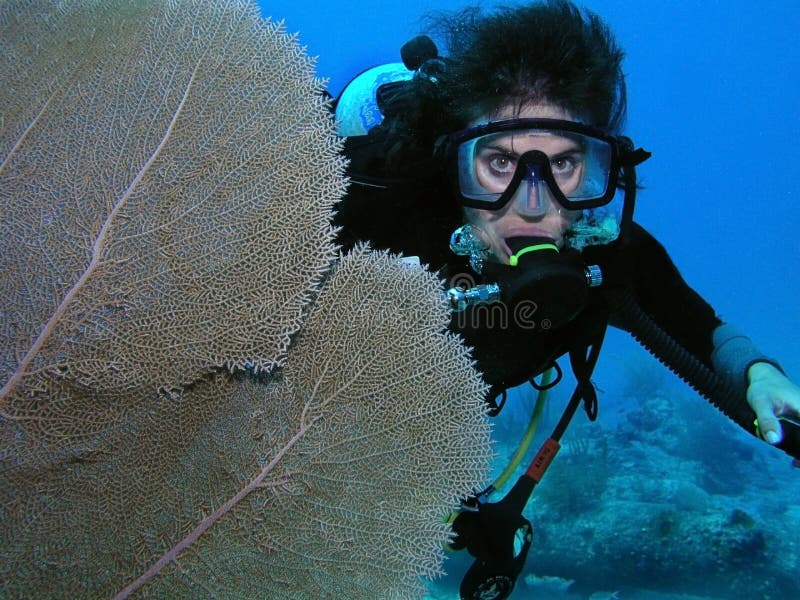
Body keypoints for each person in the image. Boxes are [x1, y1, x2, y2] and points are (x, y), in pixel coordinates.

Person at [332, 1, 800, 597]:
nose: (533, 204)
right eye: (499, 161)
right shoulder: (379, 220)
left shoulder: (607, 256)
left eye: (566, 164)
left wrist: (759, 374)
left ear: (601, 168)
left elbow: (698, 326)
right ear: (456, 163)